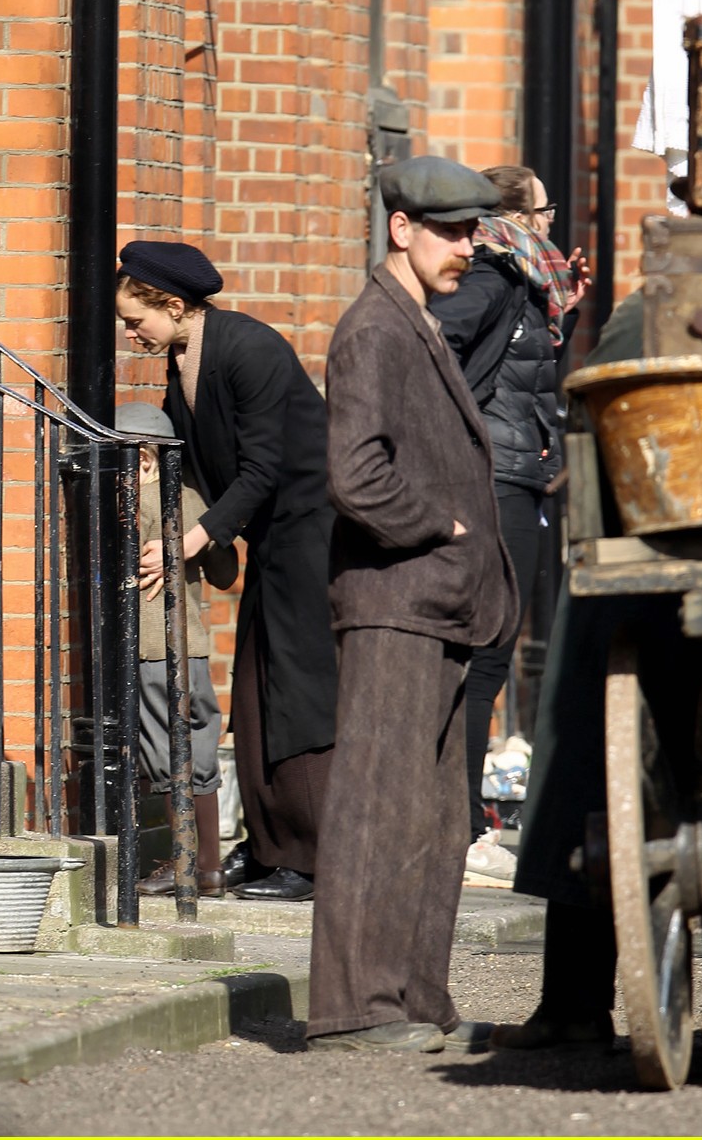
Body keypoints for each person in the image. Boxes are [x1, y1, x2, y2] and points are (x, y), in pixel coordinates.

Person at [306, 155, 520, 1053]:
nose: (467, 247)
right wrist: (448, 527)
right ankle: (356, 1009)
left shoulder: (416, 322)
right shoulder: (375, 330)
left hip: (433, 605)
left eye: (474, 231)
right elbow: (356, 475)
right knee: (375, 809)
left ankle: (418, 1000)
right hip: (396, 600)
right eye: (451, 231)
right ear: (402, 228)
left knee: (435, 818)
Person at [116, 241, 337, 902]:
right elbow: (196, 462)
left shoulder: (250, 349)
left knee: (298, 691)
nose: (132, 335)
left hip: (311, 531)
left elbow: (264, 467)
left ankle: (314, 855)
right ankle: (269, 848)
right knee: (256, 692)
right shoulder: (184, 358)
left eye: (137, 322)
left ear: (174, 305)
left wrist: (192, 538)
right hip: (271, 539)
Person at [430, 164, 591, 883]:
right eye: (547, 209)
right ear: (519, 215)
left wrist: (569, 314)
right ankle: (462, 830)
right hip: (494, 480)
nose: (554, 222)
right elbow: (438, 347)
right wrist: (462, 445)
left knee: (485, 654)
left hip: (512, 471)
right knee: (484, 652)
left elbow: (525, 371)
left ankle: (460, 824)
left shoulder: (524, 281)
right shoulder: (495, 276)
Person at [114, 400, 237, 897]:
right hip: (187, 646)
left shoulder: (145, 502)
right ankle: (205, 867)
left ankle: (191, 864)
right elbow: (226, 574)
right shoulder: (187, 499)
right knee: (191, 748)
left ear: (144, 458)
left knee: (173, 753)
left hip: (156, 643)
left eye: (119, 457)